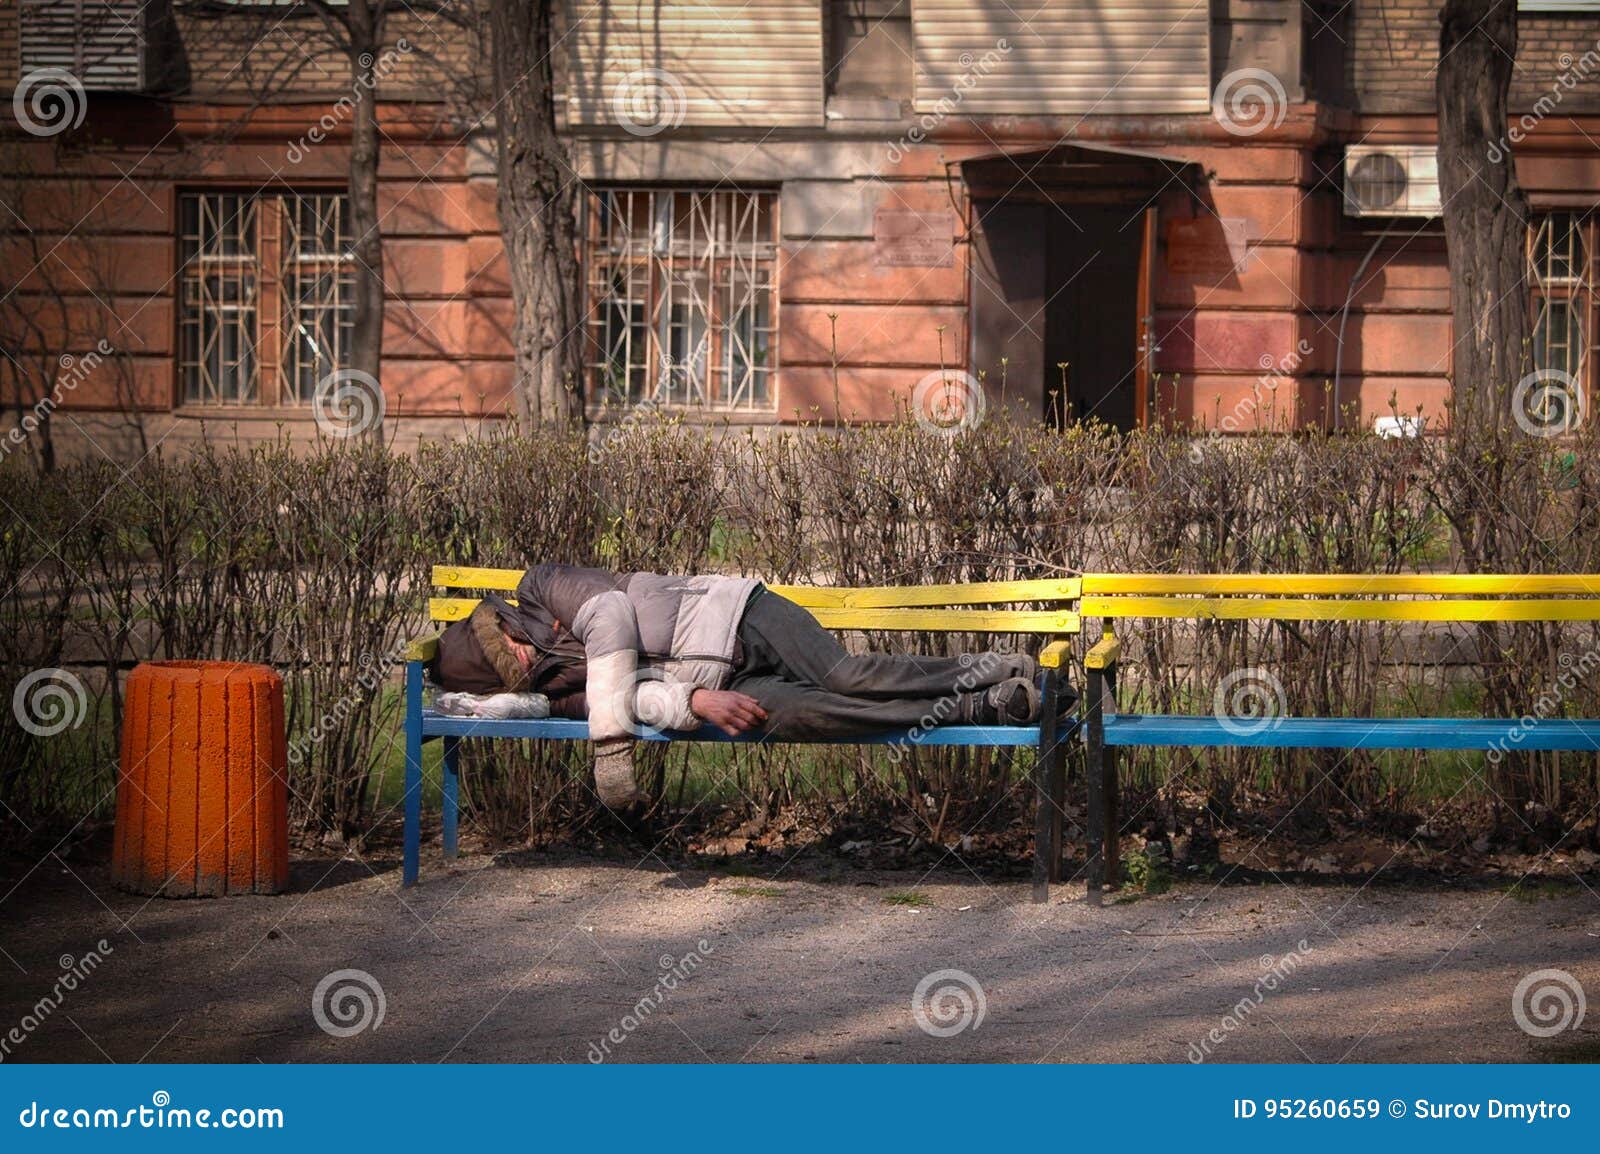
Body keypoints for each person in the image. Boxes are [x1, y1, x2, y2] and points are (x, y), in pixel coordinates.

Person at [431, 563, 1051, 810]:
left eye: (507, 646)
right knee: (816, 712)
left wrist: (610, 746)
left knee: (845, 673)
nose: (520, 656)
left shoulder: (543, 587)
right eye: (507, 668)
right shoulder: (551, 682)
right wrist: (693, 701)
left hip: (741, 616)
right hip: (721, 686)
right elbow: (626, 696)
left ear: (501, 623)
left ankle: (985, 667)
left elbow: (612, 618)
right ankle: (982, 704)